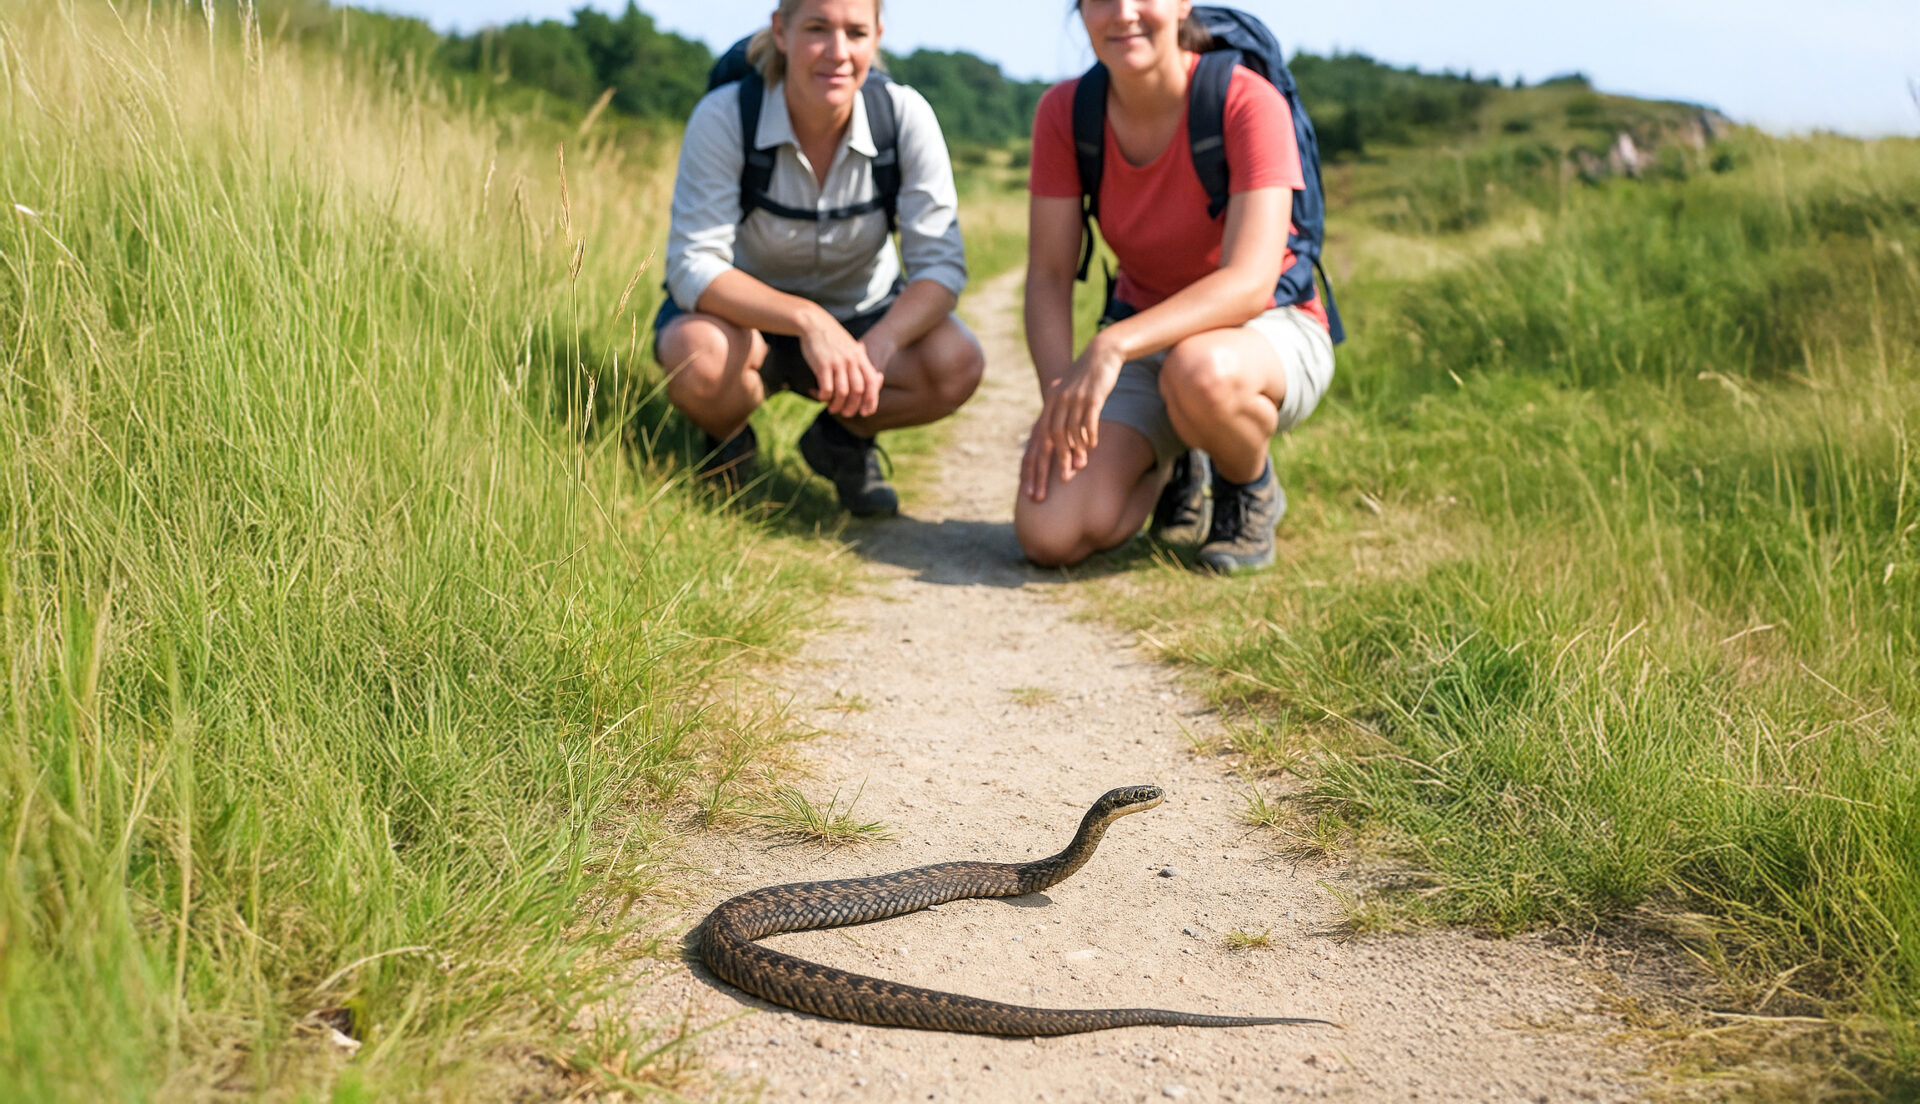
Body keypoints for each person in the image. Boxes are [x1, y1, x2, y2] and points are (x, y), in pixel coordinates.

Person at [1017, 0, 1336, 571]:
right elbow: (1048, 275)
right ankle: (1171, 461)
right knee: (1049, 533)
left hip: (1266, 329)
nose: (1122, 13)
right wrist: (1059, 399)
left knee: (1200, 373)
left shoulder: (1246, 101)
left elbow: (1248, 282)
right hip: (1149, 339)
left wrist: (1112, 345)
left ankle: (1248, 488)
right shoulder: (1065, 112)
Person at [656, 0, 984, 517]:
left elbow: (941, 269)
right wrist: (807, 320)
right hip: (746, 324)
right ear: (780, 32)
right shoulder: (724, 116)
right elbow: (692, 266)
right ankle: (728, 438)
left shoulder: (904, 116)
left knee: (958, 363)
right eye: (816, 29)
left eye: (855, 32)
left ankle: (844, 440)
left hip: (865, 319)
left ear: (876, 37)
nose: (837, 52)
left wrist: (879, 345)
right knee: (693, 352)